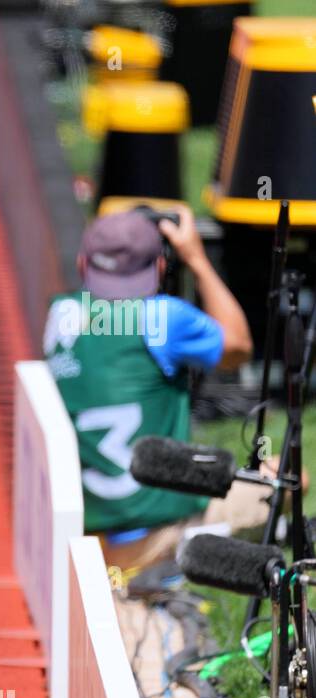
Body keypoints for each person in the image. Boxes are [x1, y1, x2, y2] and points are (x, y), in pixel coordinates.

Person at [43, 207, 260, 573]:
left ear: (83, 264)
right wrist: (196, 258)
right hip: (152, 530)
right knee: (284, 479)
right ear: (159, 267)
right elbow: (238, 346)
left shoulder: (60, 314)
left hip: (87, 529)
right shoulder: (162, 317)